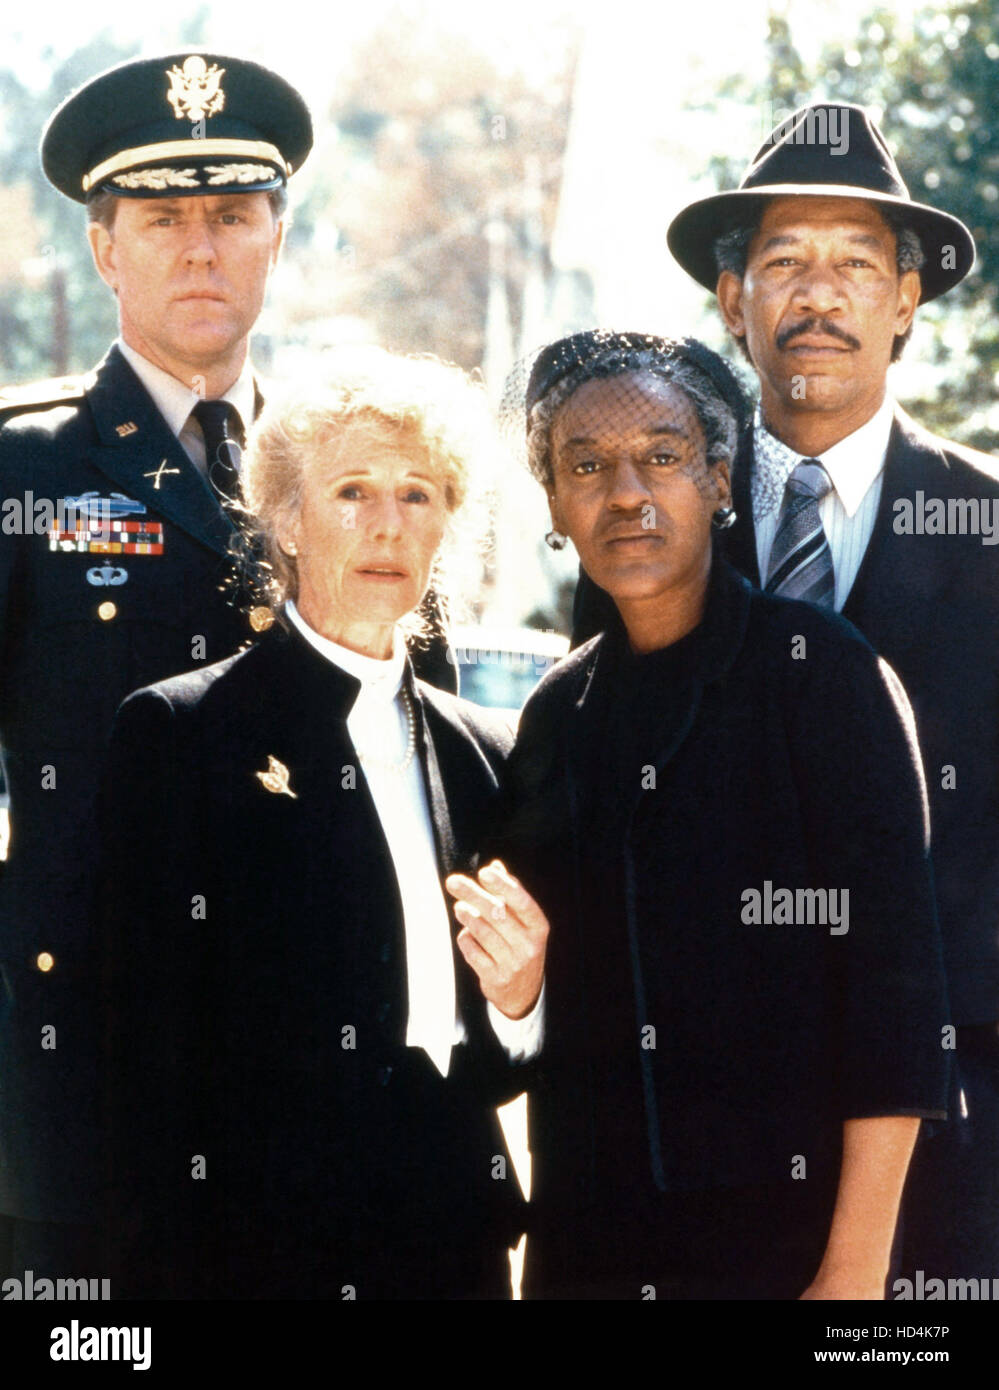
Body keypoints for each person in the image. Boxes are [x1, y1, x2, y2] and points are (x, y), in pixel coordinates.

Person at [452, 330, 948, 1299]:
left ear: (721, 480)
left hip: (780, 1252)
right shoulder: (558, 715)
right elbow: (520, 989)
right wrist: (516, 990)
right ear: (554, 503)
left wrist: (849, 1276)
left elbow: (896, 1003)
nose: (626, 492)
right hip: (590, 1250)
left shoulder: (821, 675)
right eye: (586, 464)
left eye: (663, 455)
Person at [100, 348, 547, 1299]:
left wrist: (521, 999)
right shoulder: (183, 734)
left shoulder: (487, 754)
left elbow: (500, 1056)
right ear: (287, 521)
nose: (388, 525)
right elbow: (141, 1060)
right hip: (255, 1255)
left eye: (418, 495)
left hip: (454, 1248)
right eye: (352, 490)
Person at [662, 101, 999, 1289]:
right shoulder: (649, 524)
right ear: (729, 298)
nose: (820, 294)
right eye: (783, 262)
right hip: (701, 1148)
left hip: (960, 1163)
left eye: (857, 262)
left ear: (907, 301)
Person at [0, 49, 315, 1285]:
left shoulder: (351, 473)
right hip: (81, 1070)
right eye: (165, 218)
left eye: (232, 215)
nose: (201, 249)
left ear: (276, 239)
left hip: (299, 1065)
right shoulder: (26, 477)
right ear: (103, 249)